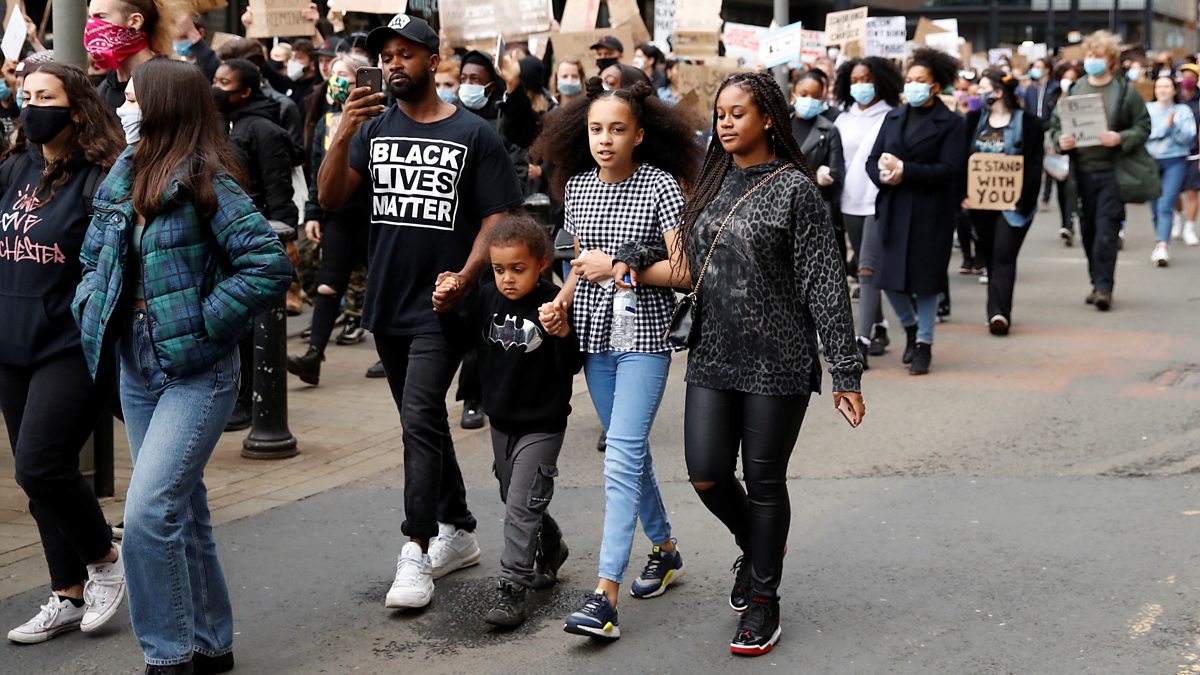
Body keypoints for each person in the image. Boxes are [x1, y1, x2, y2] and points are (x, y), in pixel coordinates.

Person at [613, 69, 864, 658]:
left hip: (779, 362)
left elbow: (826, 287)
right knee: (704, 471)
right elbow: (687, 250)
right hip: (713, 354)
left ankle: (764, 599)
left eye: (737, 114)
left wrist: (845, 374)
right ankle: (758, 547)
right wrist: (637, 252)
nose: (724, 123)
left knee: (765, 479)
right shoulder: (711, 181)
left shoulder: (795, 191)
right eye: (720, 114)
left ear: (768, 119)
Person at [74, 58, 291, 674]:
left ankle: (168, 658)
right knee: (181, 508)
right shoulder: (123, 170)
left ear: (163, 106)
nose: (123, 106)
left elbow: (269, 265)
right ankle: (210, 644)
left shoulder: (208, 179)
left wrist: (204, 319)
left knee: (146, 515)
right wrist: (90, 304)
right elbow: (94, 259)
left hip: (196, 370)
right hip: (135, 365)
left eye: (134, 99)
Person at [317, 13, 524, 609]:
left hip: (444, 304)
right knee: (426, 423)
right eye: (386, 56)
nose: (393, 64)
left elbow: (497, 218)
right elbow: (332, 198)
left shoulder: (473, 133)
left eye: (406, 54)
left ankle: (416, 546)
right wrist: (340, 135)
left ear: (433, 61)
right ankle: (458, 528)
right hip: (387, 299)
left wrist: (465, 275)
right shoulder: (371, 128)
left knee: (417, 417)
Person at [530, 78, 703, 641]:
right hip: (595, 339)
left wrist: (622, 268)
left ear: (640, 135)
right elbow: (578, 266)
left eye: (617, 129)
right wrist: (557, 305)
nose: (605, 139)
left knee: (621, 457)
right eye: (596, 129)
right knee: (632, 456)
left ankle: (604, 596)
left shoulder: (660, 187)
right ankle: (667, 549)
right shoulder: (577, 188)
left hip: (647, 341)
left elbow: (684, 273)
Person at [0, 63, 126, 646]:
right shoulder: (15, 166)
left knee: (39, 464)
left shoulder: (100, 176)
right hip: (11, 343)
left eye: (43, 97)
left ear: (75, 109)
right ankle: (66, 593)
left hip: (69, 346)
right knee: (41, 480)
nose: (30, 107)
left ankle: (104, 557)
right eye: (24, 97)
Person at [433, 216, 582, 628]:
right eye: (499, 270)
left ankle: (513, 586)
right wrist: (445, 310)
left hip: (543, 425)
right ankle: (550, 543)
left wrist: (563, 330)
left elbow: (572, 364)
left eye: (518, 269)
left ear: (541, 263)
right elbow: (461, 344)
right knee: (514, 496)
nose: (508, 279)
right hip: (502, 423)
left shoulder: (554, 302)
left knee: (520, 505)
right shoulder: (484, 299)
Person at [867, 47, 967, 375]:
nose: (912, 86)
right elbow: (872, 160)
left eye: (919, 81)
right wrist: (882, 174)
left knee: (925, 281)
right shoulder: (893, 117)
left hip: (929, 211)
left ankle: (924, 343)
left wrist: (906, 171)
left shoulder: (951, 123)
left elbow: (951, 169)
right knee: (889, 278)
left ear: (936, 86)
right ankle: (909, 328)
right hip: (894, 206)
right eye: (909, 80)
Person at [1051, 30, 1155, 311]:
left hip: (1112, 172)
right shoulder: (1075, 89)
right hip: (1080, 173)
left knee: (1107, 230)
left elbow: (1143, 126)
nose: (1091, 60)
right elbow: (1056, 126)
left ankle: (1104, 287)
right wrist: (1061, 140)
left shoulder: (1124, 91)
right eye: (1088, 55)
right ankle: (1096, 280)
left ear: (1109, 60)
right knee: (1088, 230)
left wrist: (1120, 138)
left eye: (1097, 56)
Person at [288, 54, 373, 385]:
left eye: (344, 76)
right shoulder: (327, 122)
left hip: (373, 216)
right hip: (339, 215)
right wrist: (314, 213)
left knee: (381, 281)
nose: (336, 81)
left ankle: (392, 353)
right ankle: (313, 355)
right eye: (333, 75)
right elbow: (317, 170)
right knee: (327, 285)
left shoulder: (378, 119)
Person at [963, 70, 1044, 335]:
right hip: (980, 205)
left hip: (1014, 206)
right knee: (990, 255)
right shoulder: (973, 120)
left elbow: (1033, 165)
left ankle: (999, 313)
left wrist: (1021, 201)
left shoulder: (1029, 123)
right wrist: (963, 195)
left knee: (1004, 254)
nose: (978, 92)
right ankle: (995, 308)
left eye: (984, 87)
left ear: (998, 92)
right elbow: (962, 159)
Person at [834, 56, 903, 365]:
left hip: (878, 199)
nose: (860, 86)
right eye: (855, 80)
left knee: (866, 268)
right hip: (849, 201)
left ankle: (860, 340)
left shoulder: (893, 116)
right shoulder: (841, 118)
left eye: (867, 79)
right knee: (863, 268)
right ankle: (881, 327)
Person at [789, 69, 844, 264]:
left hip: (813, 211)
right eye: (804, 94)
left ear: (823, 98)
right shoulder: (779, 125)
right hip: (779, 208)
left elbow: (837, 176)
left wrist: (825, 179)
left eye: (815, 96)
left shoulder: (829, 131)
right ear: (794, 94)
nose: (809, 100)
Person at [87, 0, 177, 113]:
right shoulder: (104, 90)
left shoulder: (169, 83)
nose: (91, 26)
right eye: (90, 17)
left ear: (135, 21)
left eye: (100, 17)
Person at [1145, 76, 1197, 267]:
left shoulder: (1182, 111)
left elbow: (1188, 137)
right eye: (1159, 86)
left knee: (1166, 203)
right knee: (1154, 207)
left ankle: (1162, 245)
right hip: (1150, 162)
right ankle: (1160, 236)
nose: (1163, 90)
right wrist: (1164, 130)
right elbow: (1144, 134)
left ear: (1174, 90)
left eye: (1167, 86)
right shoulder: (1147, 109)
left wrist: (1173, 127)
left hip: (1174, 161)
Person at [1023, 57, 1059, 211]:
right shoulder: (1030, 88)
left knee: (1050, 164)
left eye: (1039, 66)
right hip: (1034, 129)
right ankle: (1033, 196)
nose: (1036, 69)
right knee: (1034, 163)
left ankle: (1046, 197)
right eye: (1034, 66)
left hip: (1049, 128)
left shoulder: (1055, 87)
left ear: (1047, 69)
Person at [1174, 63, 1200, 246]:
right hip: (1173, 152)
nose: (1187, 80)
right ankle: (1178, 218)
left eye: (1191, 76)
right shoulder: (1175, 98)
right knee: (1173, 191)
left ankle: (1189, 227)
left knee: (1192, 192)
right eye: (1185, 76)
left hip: (1194, 153)